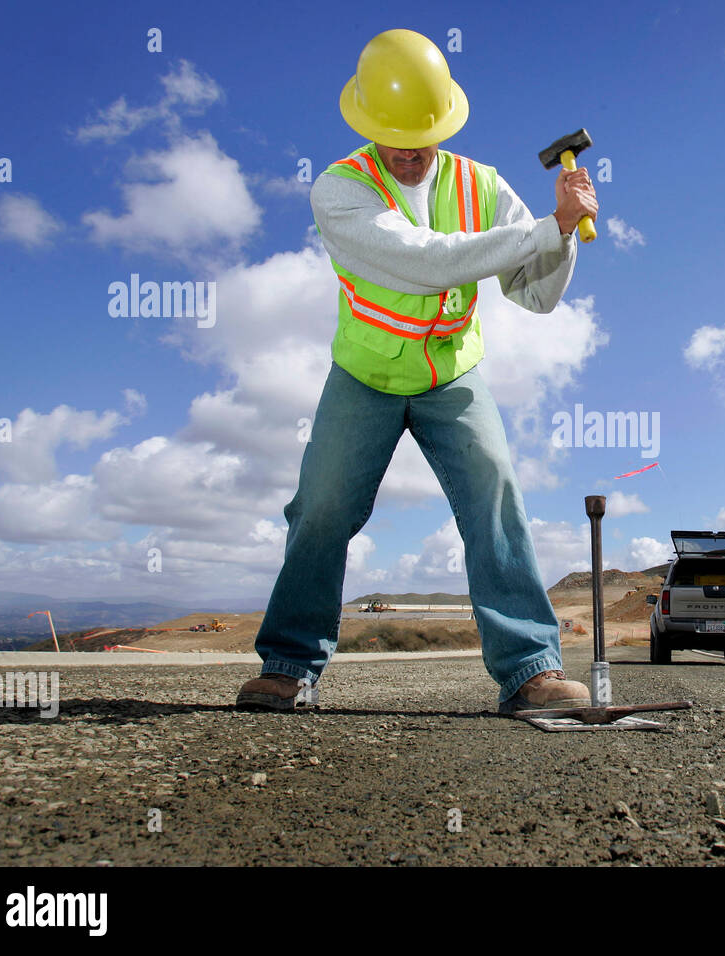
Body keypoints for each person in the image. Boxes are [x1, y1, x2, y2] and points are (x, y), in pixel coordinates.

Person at [236, 29, 598, 713]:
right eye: (390, 137)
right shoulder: (340, 190)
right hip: (365, 376)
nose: (405, 153)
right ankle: (288, 665)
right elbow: (427, 261)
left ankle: (531, 671)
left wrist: (567, 230)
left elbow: (537, 295)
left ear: (444, 123)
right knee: (321, 507)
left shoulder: (480, 185)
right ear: (366, 124)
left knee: (495, 494)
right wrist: (549, 226)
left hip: (452, 375)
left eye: (419, 138)